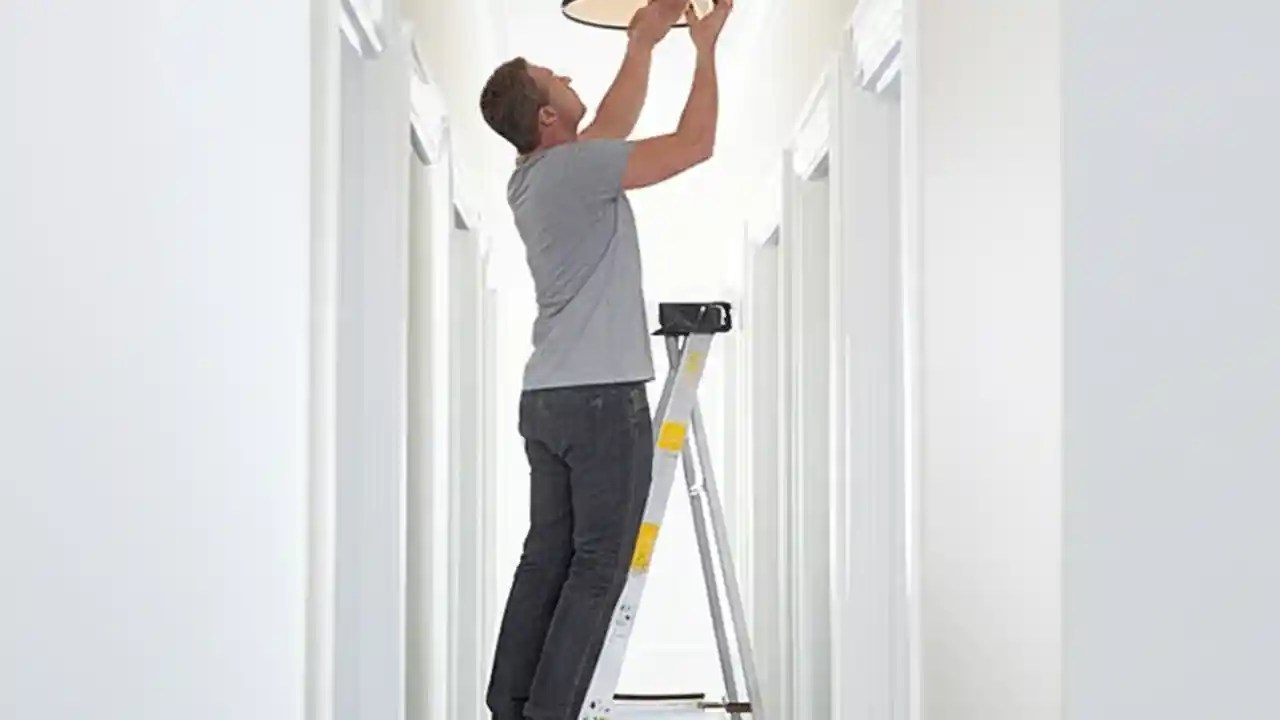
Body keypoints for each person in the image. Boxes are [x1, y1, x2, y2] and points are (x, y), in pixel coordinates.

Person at [477, 0, 733, 718]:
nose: (562, 73)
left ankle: (513, 707)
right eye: (553, 77)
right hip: (598, 400)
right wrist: (705, 51)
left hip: (549, 400)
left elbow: (607, 129)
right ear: (550, 119)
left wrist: (643, 45)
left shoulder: (538, 176)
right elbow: (694, 144)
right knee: (596, 571)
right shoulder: (576, 171)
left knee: (547, 562)